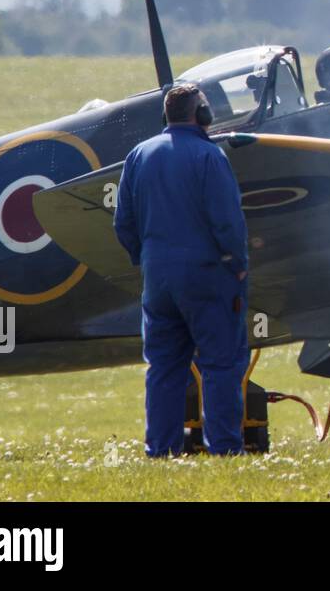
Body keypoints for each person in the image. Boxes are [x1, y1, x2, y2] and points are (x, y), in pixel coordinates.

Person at [113, 82, 251, 457]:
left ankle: (161, 450)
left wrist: (145, 259)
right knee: (221, 363)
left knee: (163, 367)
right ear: (200, 114)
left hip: (157, 278)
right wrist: (238, 264)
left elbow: (123, 221)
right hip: (207, 274)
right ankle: (224, 448)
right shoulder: (210, 157)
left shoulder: (139, 155)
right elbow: (228, 222)